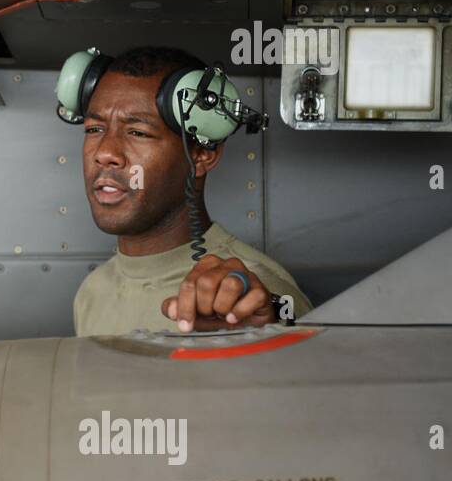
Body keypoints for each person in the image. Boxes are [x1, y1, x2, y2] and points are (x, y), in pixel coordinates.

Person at [73, 47, 311, 336]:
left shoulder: (249, 289)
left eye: (138, 133)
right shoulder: (91, 292)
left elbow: (286, 324)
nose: (105, 153)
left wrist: (268, 318)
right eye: (94, 129)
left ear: (202, 155)